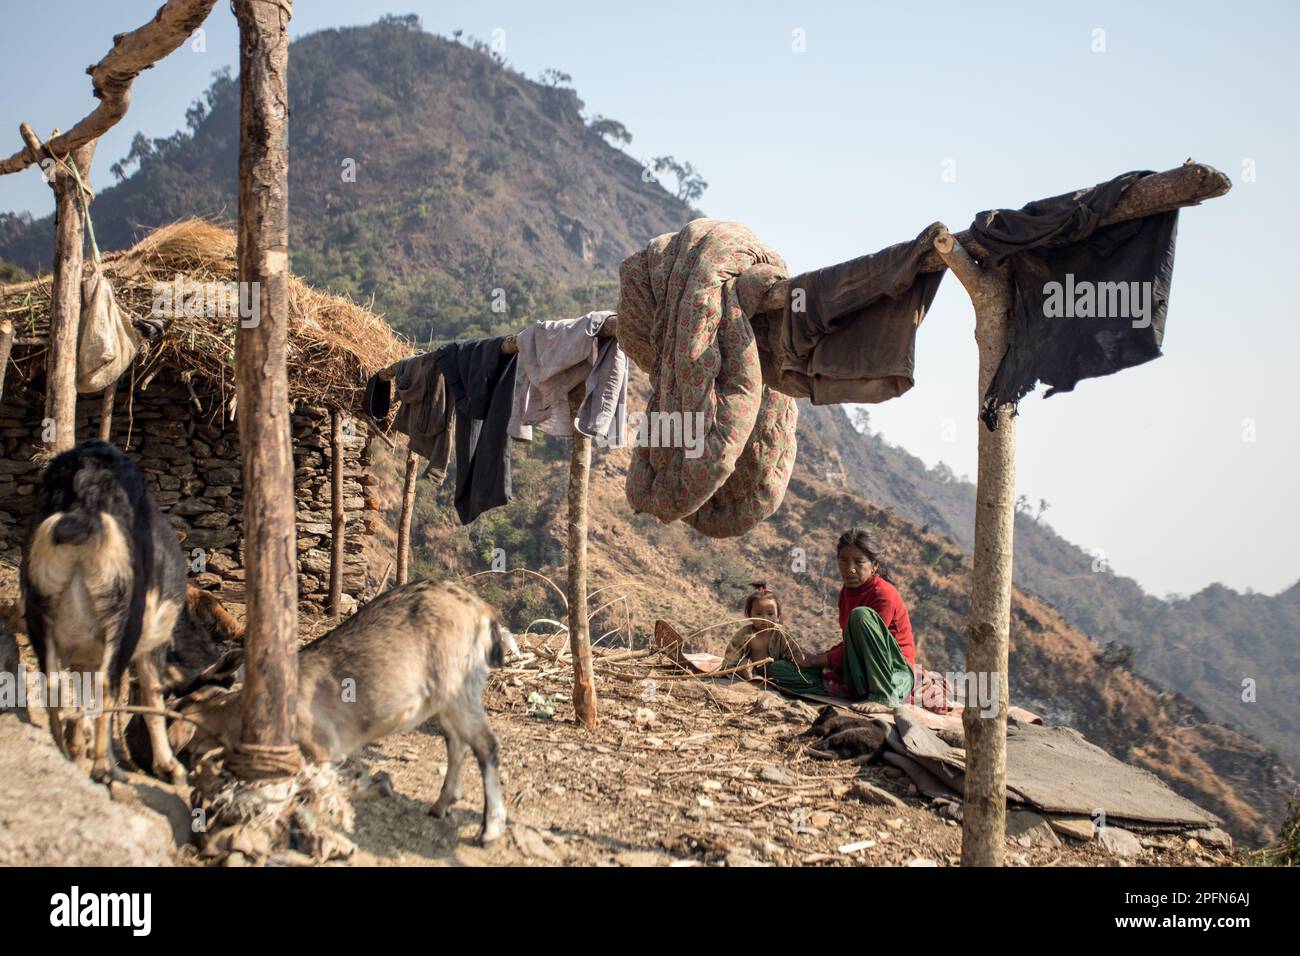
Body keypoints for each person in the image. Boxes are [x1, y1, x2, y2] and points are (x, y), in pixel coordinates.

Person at [767, 528, 917, 705]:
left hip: (891, 675)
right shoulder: (846, 592)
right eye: (843, 560)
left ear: (874, 565)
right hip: (859, 670)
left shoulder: (883, 594)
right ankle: (845, 690)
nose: (850, 569)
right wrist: (813, 659)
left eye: (859, 562)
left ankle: (881, 698)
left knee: (860, 615)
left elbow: (866, 647)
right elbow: (850, 643)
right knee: (778, 671)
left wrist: (816, 660)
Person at [721, 582, 799, 679]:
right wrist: (727, 669)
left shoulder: (781, 634)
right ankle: (754, 678)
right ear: (750, 615)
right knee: (743, 664)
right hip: (751, 670)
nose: (764, 618)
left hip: (775, 672)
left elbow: (794, 653)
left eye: (770, 614)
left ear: (778, 616)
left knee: (780, 666)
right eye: (758, 614)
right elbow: (732, 653)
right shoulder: (745, 633)